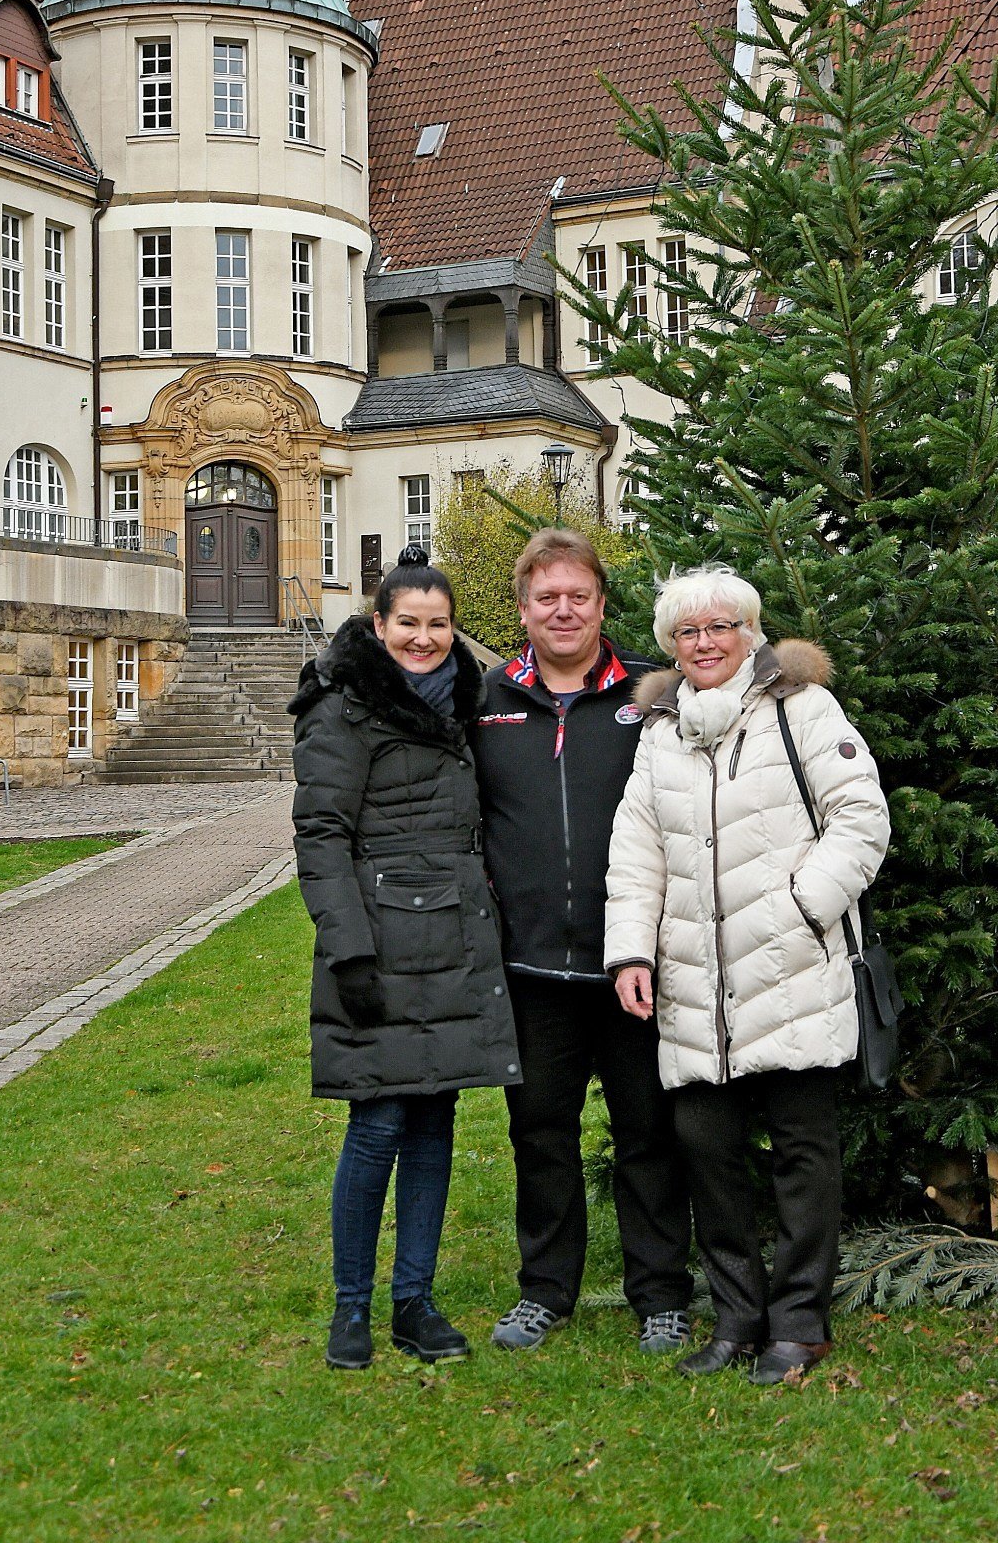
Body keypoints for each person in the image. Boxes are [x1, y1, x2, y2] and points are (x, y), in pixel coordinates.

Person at [604, 566, 890, 1385]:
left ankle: (798, 1321)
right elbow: (636, 854)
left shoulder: (801, 708)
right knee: (707, 1151)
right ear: (670, 644)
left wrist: (804, 908)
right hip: (692, 985)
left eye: (719, 627)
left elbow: (861, 818)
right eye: (687, 632)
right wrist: (628, 950)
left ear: (748, 632)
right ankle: (734, 1318)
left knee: (803, 1151)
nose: (704, 643)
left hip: (792, 967)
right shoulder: (659, 731)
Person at [290, 545, 521, 1371]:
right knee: (377, 1123)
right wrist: (347, 947)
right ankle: (350, 1308)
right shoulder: (343, 707)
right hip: (382, 944)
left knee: (433, 1125)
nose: (423, 639)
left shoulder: (468, 701)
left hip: (454, 939)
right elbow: (321, 833)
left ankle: (414, 1303)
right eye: (407, 625)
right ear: (378, 625)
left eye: (438, 625)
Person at [471, 528, 694, 1354]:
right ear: (522, 608)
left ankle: (661, 1294)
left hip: (633, 963)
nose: (562, 611)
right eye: (544, 598)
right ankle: (545, 1291)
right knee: (540, 1135)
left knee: (649, 1134)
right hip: (527, 964)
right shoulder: (484, 699)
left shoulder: (653, 694)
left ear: (602, 603)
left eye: (578, 596)